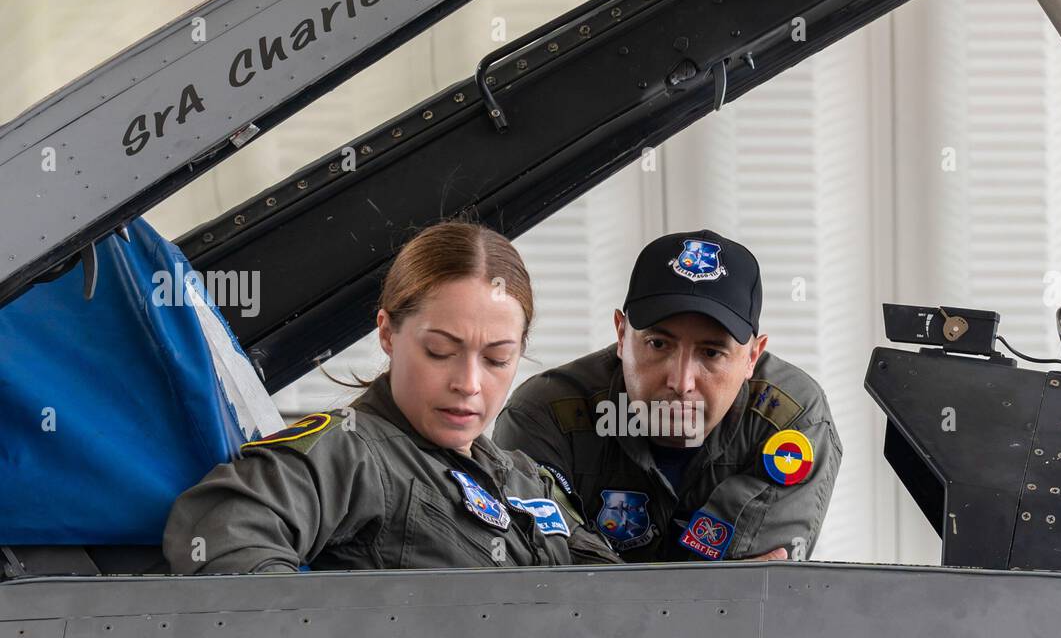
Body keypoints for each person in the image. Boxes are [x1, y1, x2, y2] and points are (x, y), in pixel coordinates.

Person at [162, 221, 623, 574]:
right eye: (440, 351)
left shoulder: (525, 480)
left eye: (497, 359)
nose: (469, 382)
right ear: (387, 333)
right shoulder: (351, 452)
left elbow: (629, 602)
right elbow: (223, 524)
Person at [492, 229, 841, 563]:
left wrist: (602, 577)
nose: (681, 380)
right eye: (658, 344)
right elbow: (539, 577)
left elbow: (748, 599)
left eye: (711, 353)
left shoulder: (791, 420)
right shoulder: (545, 414)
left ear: (752, 356)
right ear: (621, 333)